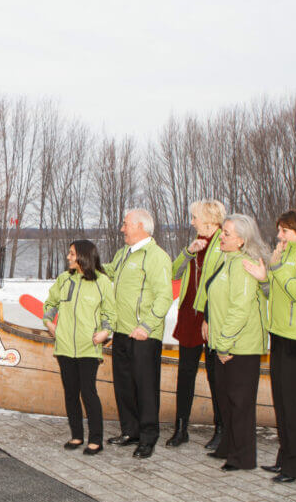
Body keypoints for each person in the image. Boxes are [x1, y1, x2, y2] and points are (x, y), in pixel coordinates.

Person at [243, 210, 296, 483]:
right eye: (279, 230)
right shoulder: (285, 255)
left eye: (285, 231)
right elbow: (276, 292)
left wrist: (275, 269)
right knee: (281, 400)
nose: (279, 236)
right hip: (280, 333)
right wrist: (264, 278)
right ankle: (285, 457)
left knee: (293, 402)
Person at [104, 209, 174, 458]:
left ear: (141, 226)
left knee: (145, 387)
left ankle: (148, 436)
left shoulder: (157, 257)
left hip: (144, 333)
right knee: (124, 385)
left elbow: (165, 295)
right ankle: (130, 430)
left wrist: (147, 325)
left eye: (126, 224)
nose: (122, 228)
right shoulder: (123, 253)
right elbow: (110, 271)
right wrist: (88, 265)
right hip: (122, 331)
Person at [202, 214, 269, 471]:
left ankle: (243, 457)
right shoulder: (227, 260)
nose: (222, 236)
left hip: (240, 346)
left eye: (227, 233)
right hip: (224, 344)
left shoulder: (243, 265)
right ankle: (228, 446)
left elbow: (240, 309)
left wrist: (225, 343)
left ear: (242, 240)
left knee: (240, 403)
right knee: (226, 398)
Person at [43, 240, 116, 456]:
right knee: (71, 393)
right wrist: (49, 323)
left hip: (88, 347)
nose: (68, 257)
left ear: (83, 256)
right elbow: (49, 304)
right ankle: (76, 435)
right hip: (64, 347)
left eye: (72, 254)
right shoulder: (64, 279)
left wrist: (105, 332)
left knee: (89, 392)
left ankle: (95, 439)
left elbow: (110, 314)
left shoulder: (102, 282)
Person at [167, 200, 226, 449]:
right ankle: (181, 428)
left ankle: (221, 429)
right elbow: (174, 273)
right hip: (189, 315)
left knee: (216, 376)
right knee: (185, 373)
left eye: (195, 217)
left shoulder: (224, 243)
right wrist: (188, 252)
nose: (192, 222)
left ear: (210, 219)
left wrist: (209, 318)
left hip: (211, 316)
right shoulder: (195, 244)